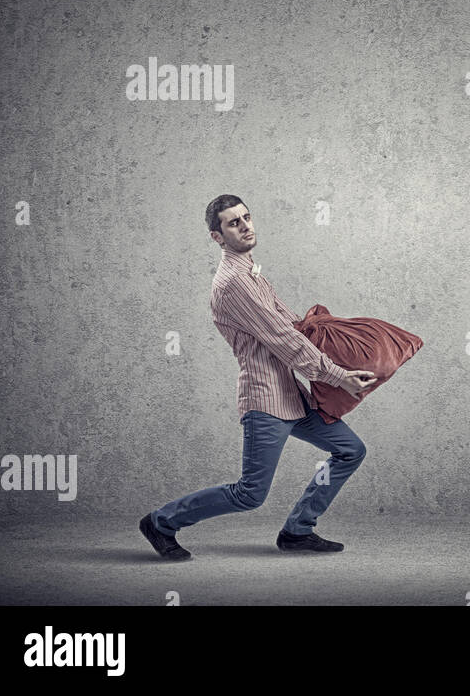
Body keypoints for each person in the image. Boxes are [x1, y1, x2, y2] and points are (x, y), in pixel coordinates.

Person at [139, 195, 378, 560]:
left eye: (247, 217)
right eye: (234, 223)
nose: (246, 225)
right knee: (249, 494)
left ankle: (298, 531)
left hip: (293, 398)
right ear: (217, 236)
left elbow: (289, 324)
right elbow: (284, 340)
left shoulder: (250, 270)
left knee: (350, 450)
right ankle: (160, 522)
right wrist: (339, 376)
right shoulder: (235, 283)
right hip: (266, 402)